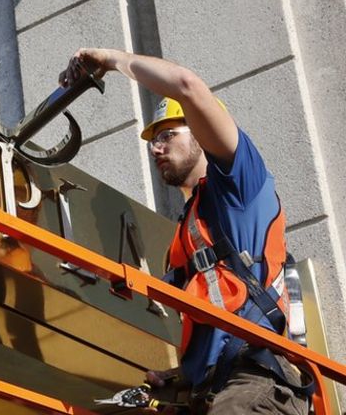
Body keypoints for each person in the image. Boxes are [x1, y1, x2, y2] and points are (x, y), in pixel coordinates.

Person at [60, 48, 309, 414]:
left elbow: (187, 86)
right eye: (151, 141)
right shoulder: (187, 232)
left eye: (167, 135)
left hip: (254, 383)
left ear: (203, 133)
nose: (155, 148)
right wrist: (179, 376)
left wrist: (112, 61)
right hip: (211, 390)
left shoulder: (242, 183)